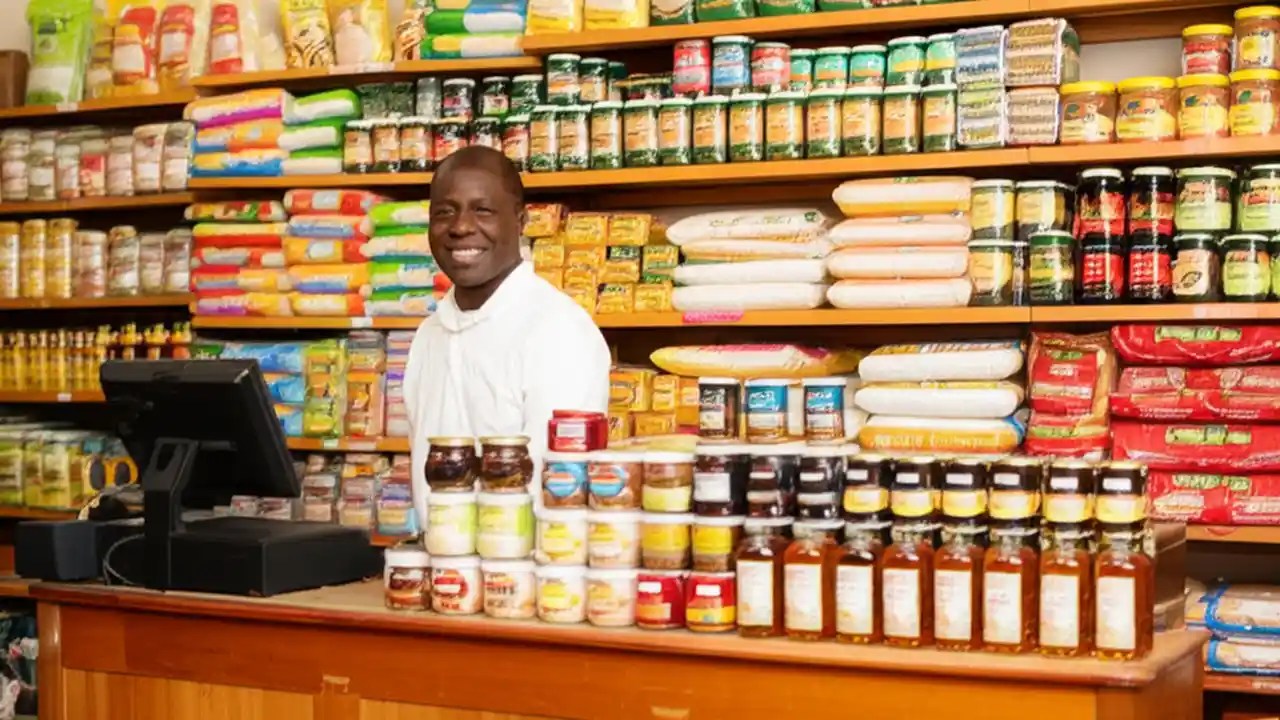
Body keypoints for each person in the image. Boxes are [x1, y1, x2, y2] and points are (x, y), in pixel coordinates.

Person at [404, 146, 611, 525]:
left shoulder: (558, 332)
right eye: (444, 212)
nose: (461, 227)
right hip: (444, 569)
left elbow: (556, 488)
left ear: (521, 221)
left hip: (531, 572)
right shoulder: (428, 335)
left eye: (483, 210)